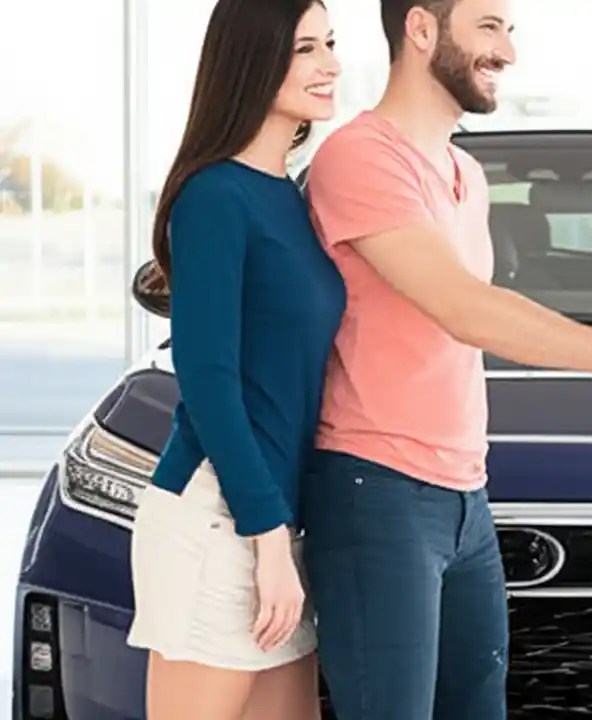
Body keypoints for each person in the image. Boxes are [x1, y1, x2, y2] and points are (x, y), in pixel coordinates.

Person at [296, 0, 592, 717]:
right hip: (376, 491)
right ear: (421, 28)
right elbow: (464, 308)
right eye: (488, 26)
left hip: (464, 494)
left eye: (509, 30)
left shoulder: (464, 173)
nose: (507, 51)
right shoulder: (360, 158)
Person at [124, 1, 344, 718]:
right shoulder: (215, 196)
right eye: (306, 48)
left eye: (330, 45)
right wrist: (267, 539)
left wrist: (284, 535)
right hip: (219, 519)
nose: (331, 65)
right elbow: (210, 380)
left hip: (275, 520)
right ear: (253, 61)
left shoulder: (292, 197)